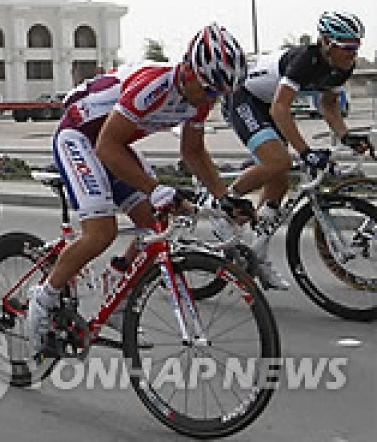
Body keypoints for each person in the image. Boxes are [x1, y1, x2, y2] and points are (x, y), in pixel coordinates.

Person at [25, 23, 255, 354]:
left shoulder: (200, 96)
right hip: (79, 137)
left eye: (219, 95)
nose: (211, 100)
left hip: (112, 143)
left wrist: (226, 198)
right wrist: (155, 188)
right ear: (190, 70)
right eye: (210, 91)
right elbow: (106, 147)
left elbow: (193, 152)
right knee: (101, 232)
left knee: (156, 224)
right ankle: (43, 299)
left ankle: (117, 287)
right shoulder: (155, 86)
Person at [222, 11, 368, 289]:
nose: (353, 52)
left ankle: (257, 254)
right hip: (244, 98)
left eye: (357, 45)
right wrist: (305, 151)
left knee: (280, 180)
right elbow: (280, 109)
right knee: (278, 162)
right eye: (347, 46)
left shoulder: (343, 66)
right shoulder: (304, 61)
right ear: (326, 42)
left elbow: (328, 105)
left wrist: (346, 136)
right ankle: (224, 202)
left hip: (270, 104)